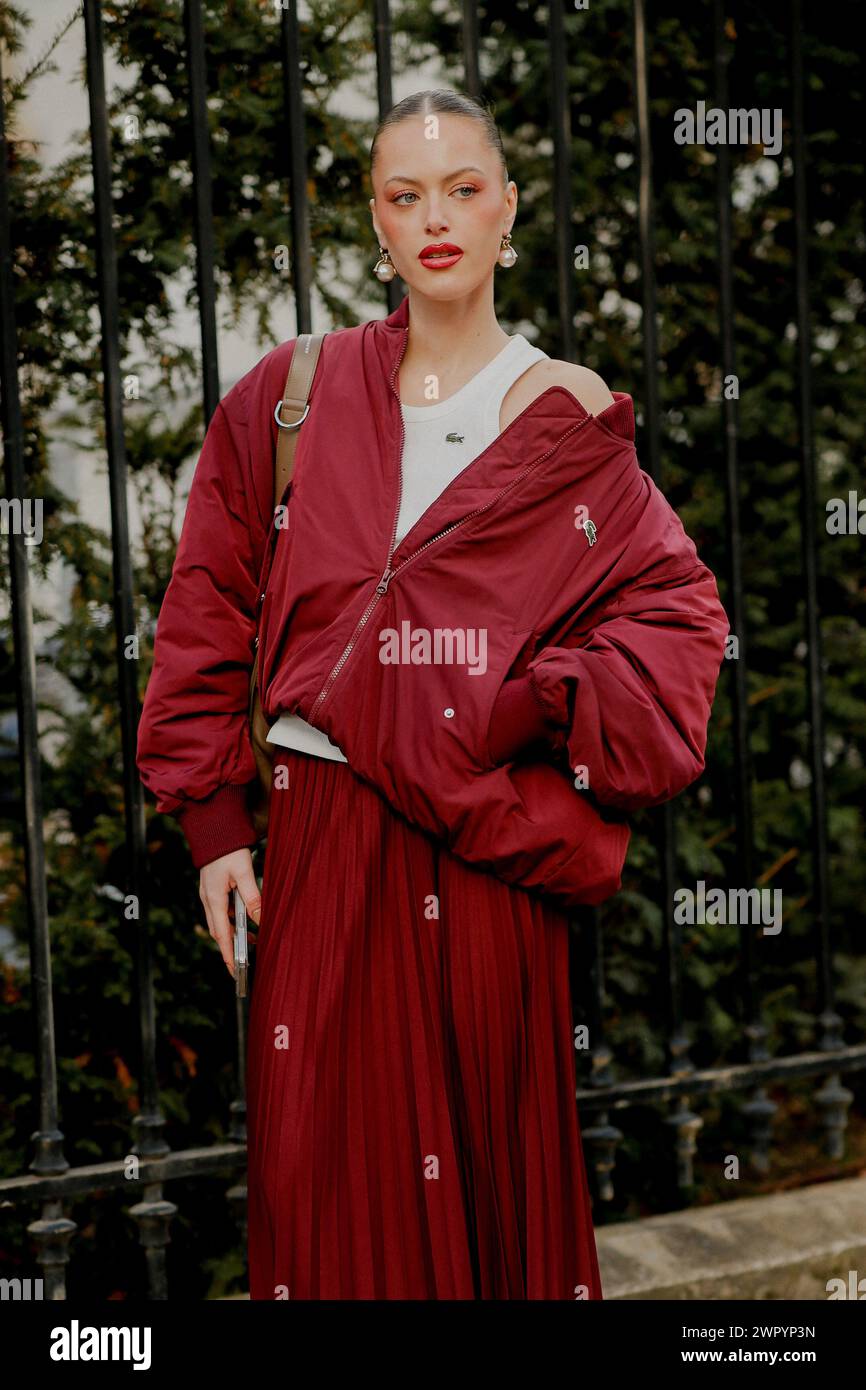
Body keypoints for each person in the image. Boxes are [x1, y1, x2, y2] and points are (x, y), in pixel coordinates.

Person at [136, 89, 729, 1300]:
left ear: (508, 211)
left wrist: (522, 704)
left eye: (463, 188)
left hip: (479, 856)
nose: (437, 217)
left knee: (485, 1187)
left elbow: (676, 624)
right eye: (406, 195)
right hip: (322, 846)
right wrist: (212, 823)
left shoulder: (560, 411)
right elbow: (206, 605)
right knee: (326, 1191)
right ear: (376, 221)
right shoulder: (288, 395)